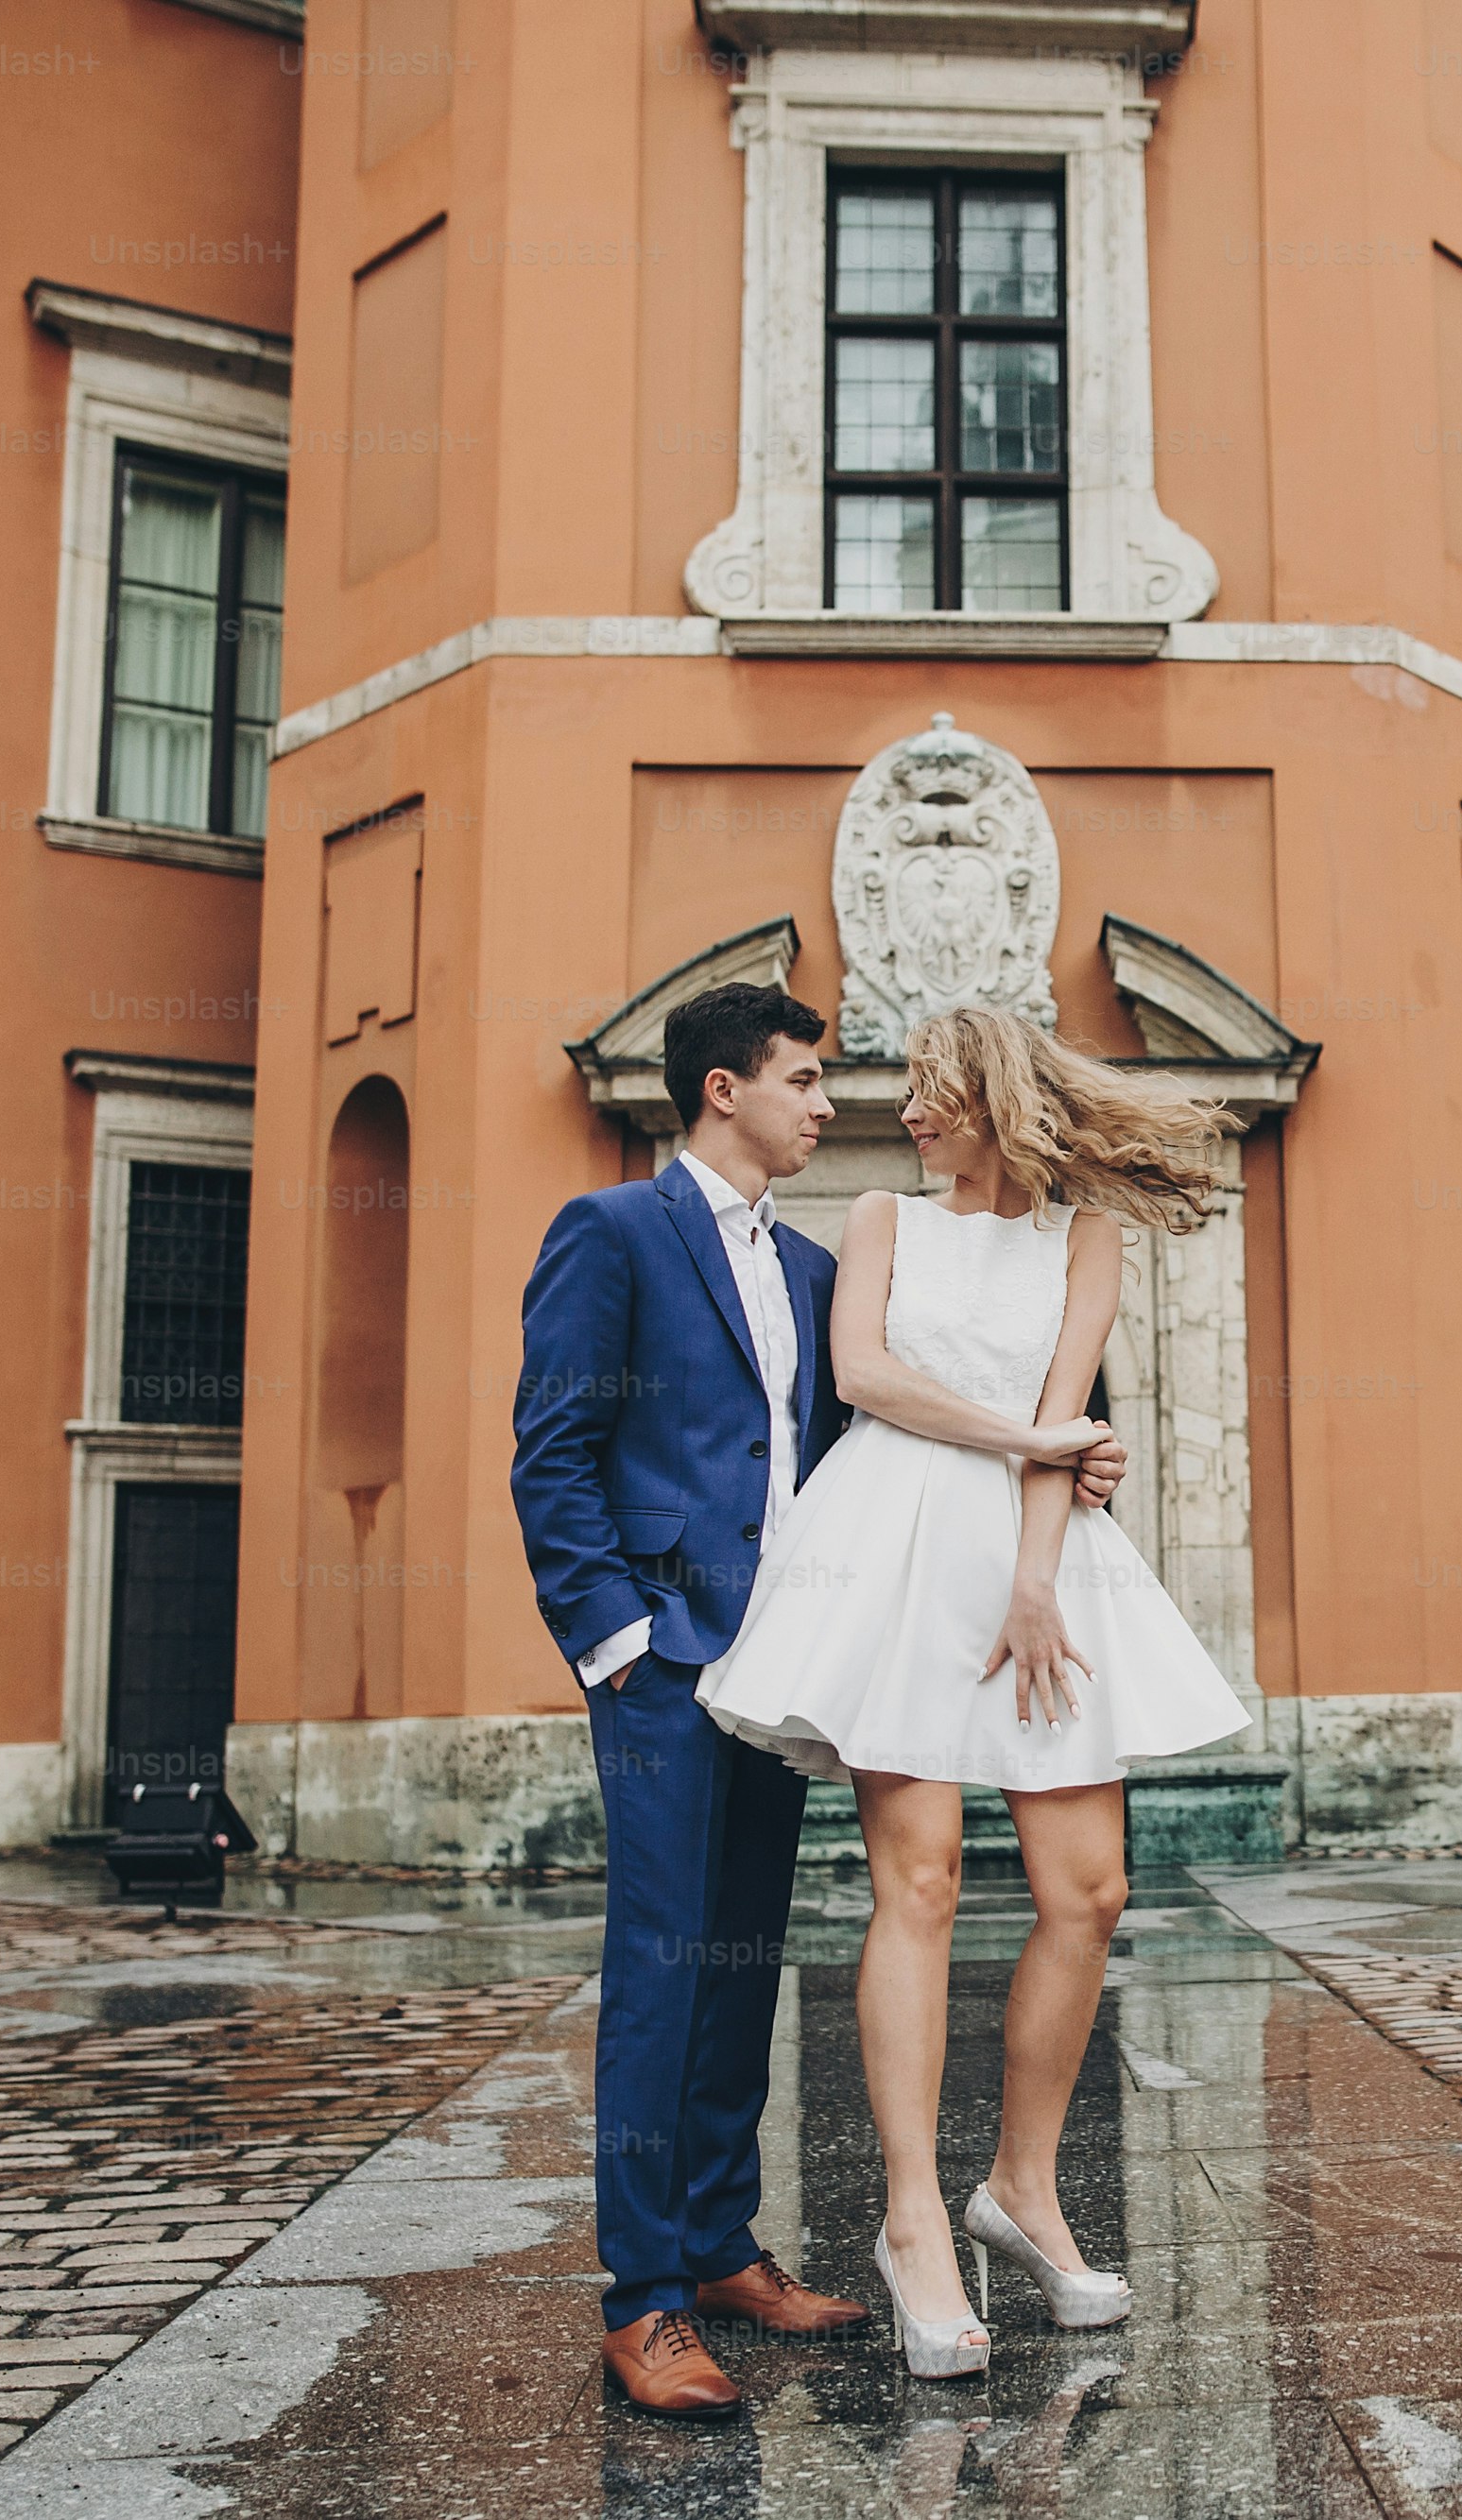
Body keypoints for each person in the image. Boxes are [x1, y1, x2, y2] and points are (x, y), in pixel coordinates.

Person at [507, 982, 1128, 2416]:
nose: (826, 1103)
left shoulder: (801, 1263)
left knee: (740, 1962)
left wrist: (1078, 1463)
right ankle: (645, 2300)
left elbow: (892, 1444)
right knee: (663, 1972)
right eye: (801, 1080)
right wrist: (613, 1642)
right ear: (724, 1089)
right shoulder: (612, 1233)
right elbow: (553, 1451)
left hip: (790, 1659)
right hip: (664, 1659)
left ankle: (721, 2251)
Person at [699, 1004, 1254, 2380]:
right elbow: (864, 1376)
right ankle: (909, 2223)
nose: (914, 1111)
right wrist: (1037, 1438)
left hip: (1035, 1556)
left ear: (997, 1098)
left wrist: (1037, 1572)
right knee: (924, 1882)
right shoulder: (884, 1213)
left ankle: (1020, 2189)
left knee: (1089, 1890)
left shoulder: (1085, 1239)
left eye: (938, 1091)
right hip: (892, 1546)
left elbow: (1073, 1403)